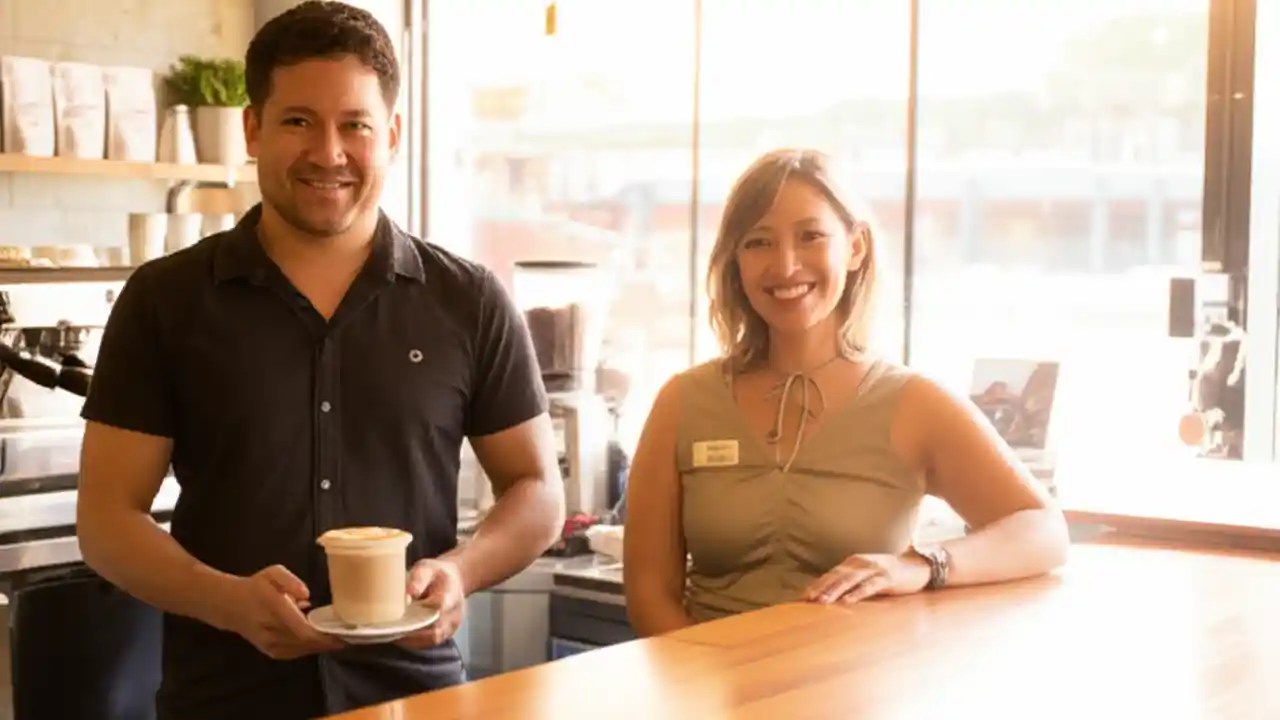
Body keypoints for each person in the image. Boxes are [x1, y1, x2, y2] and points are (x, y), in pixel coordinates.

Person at [75, 2, 565, 718]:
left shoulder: (470, 300)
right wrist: (225, 601)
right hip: (224, 697)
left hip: (414, 697)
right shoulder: (165, 300)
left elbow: (536, 490)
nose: (328, 153)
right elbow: (106, 520)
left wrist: (459, 573)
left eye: (355, 125)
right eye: (299, 120)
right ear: (254, 129)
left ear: (391, 135)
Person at [622, 149, 1069, 635]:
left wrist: (922, 565)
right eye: (759, 242)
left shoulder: (914, 404)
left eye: (811, 236)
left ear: (855, 247)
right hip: (711, 696)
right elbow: (648, 596)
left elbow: (1043, 531)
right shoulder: (682, 402)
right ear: (736, 262)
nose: (785, 264)